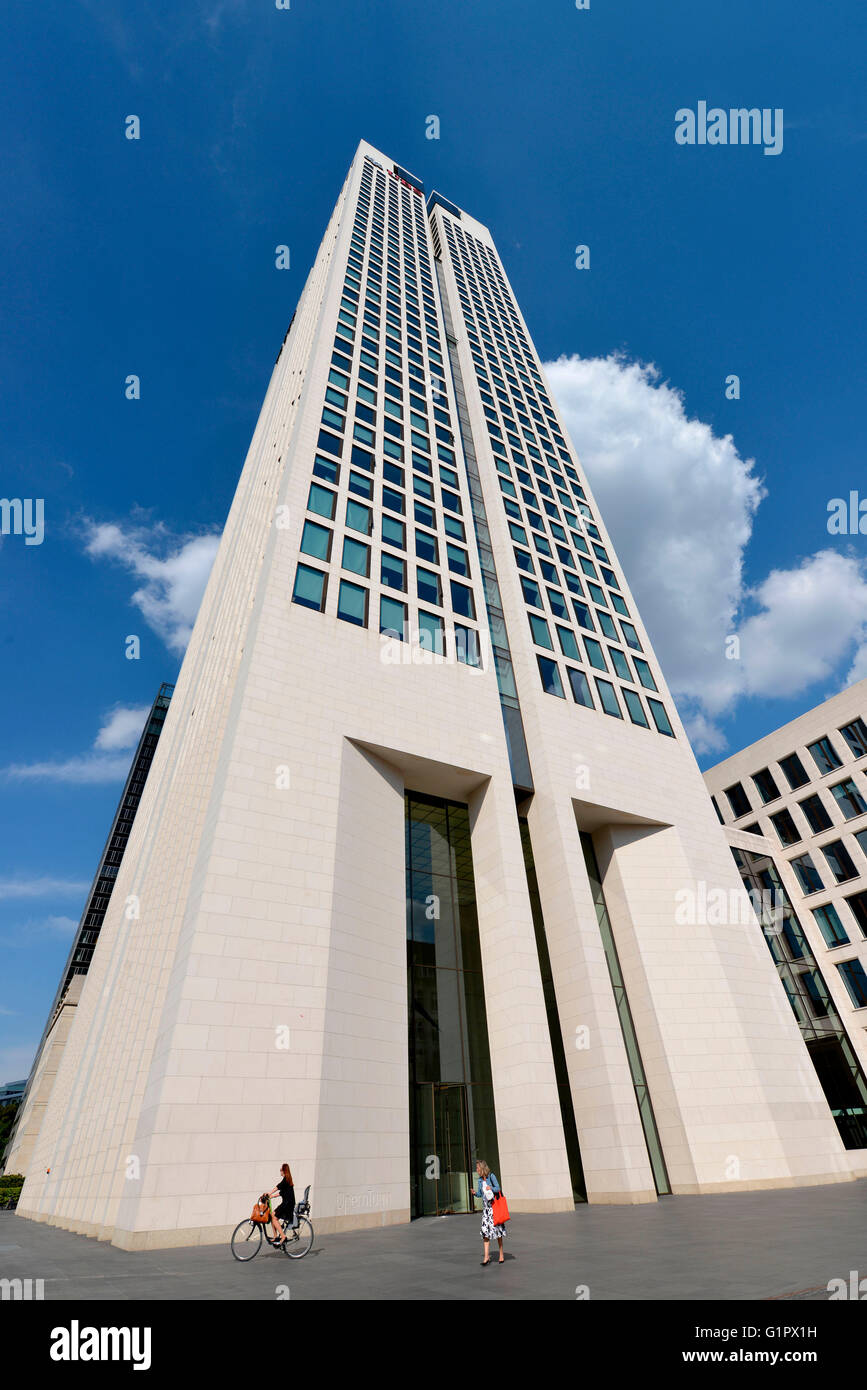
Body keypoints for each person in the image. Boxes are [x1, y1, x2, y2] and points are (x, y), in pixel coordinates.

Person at [474, 1159, 506, 1265]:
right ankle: (486, 1257)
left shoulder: (491, 1176)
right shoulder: (479, 1180)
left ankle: (501, 1254)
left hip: (494, 1208)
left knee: (497, 1232)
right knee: (485, 1233)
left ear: (482, 1168)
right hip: (486, 1211)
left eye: (477, 1168)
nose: (476, 1169)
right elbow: (480, 1194)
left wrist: (490, 1187)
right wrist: (475, 1193)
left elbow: (498, 1188)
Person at [266, 1163, 295, 1245]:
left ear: (284, 1171)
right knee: (272, 1215)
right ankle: (275, 1236)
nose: (280, 1171)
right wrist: (272, 1196)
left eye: (281, 1170)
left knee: (274, 1217)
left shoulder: (286, 1180)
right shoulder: (287, 1180)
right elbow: (282, 1192)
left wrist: (269, 1193)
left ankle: (283, 1236)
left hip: (287, 1204)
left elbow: (278, 1187)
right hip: (287, 1203)